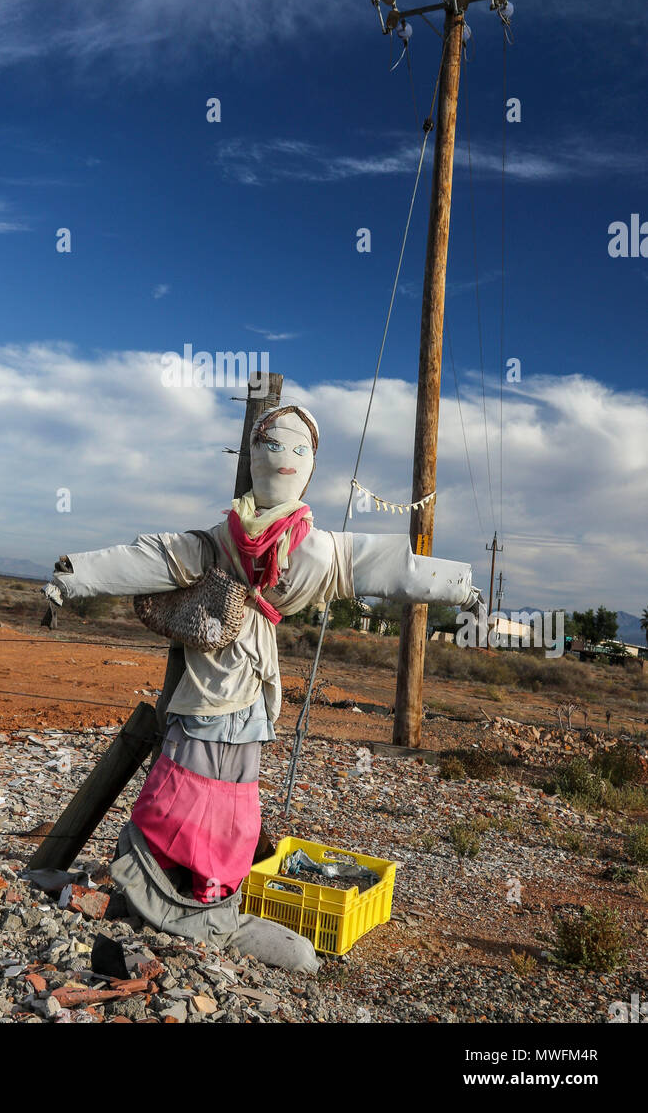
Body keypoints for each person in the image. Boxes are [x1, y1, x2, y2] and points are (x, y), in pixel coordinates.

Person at [42, 404, 482, 969]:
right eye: (274, 446)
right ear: (255, 457)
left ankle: (195, 899)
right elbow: (147, 559)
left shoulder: (290, 547)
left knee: (211, 798)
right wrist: (74, 576)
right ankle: (176, 897)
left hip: (229, 694)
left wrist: (457, 584)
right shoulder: (280, 547)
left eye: (296, 450)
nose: (283, 458)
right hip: (220, 694)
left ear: (306, 465)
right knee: (195, 794)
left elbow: (385, 565)